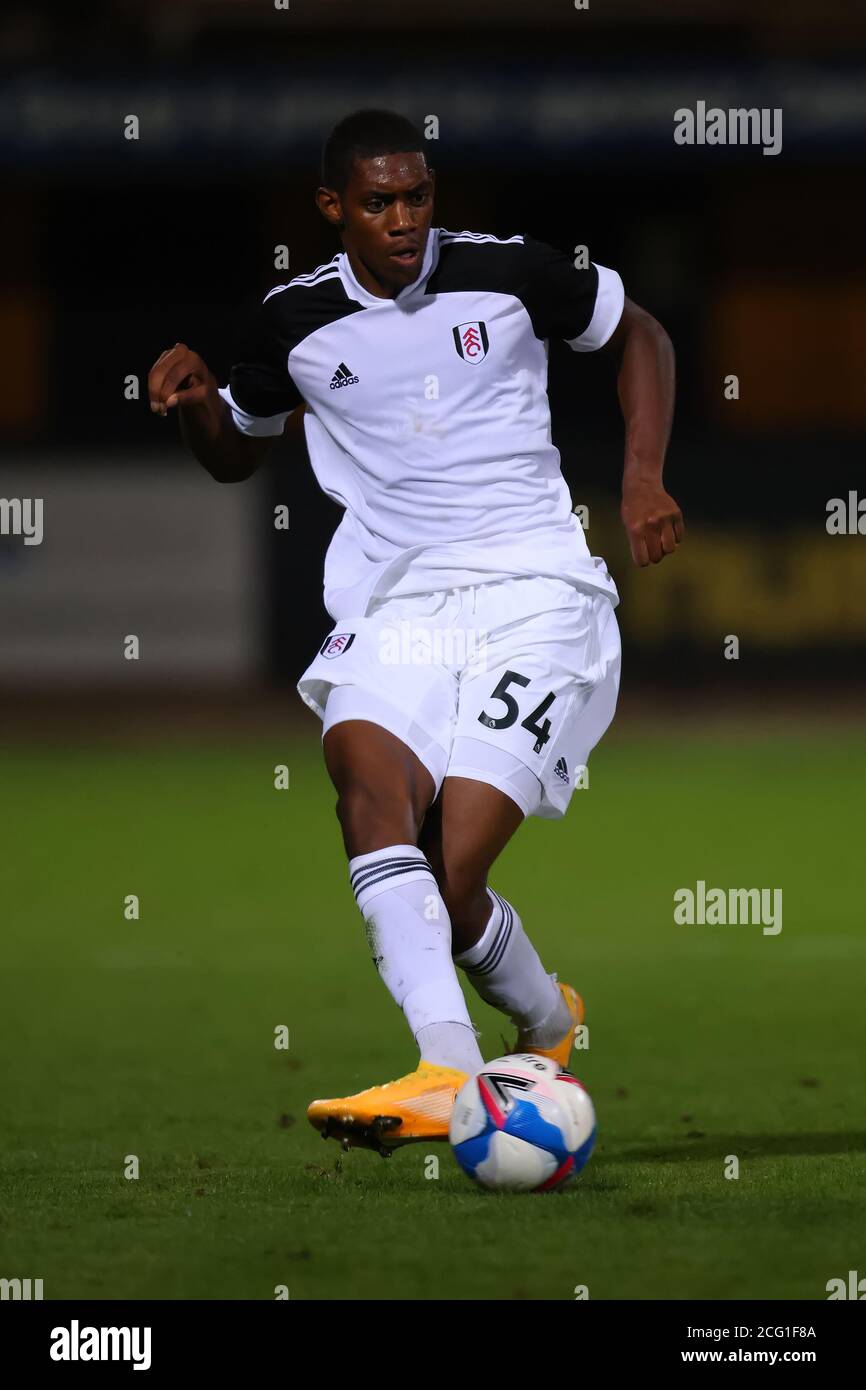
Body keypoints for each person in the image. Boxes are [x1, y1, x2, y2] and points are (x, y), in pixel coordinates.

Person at [148, 108, 682, 1157]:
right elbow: (235, 454)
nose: (403, 218)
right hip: (395, 606)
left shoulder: (512, 272)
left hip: (536, 594)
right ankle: (446, 1066)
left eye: (418, 196)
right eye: (379, 201)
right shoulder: (289, 323)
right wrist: (195, 405)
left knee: (450, 878)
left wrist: (641, 475)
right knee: (365, 788)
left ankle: (541, 1022)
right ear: (332, 207)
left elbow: (640, 333)